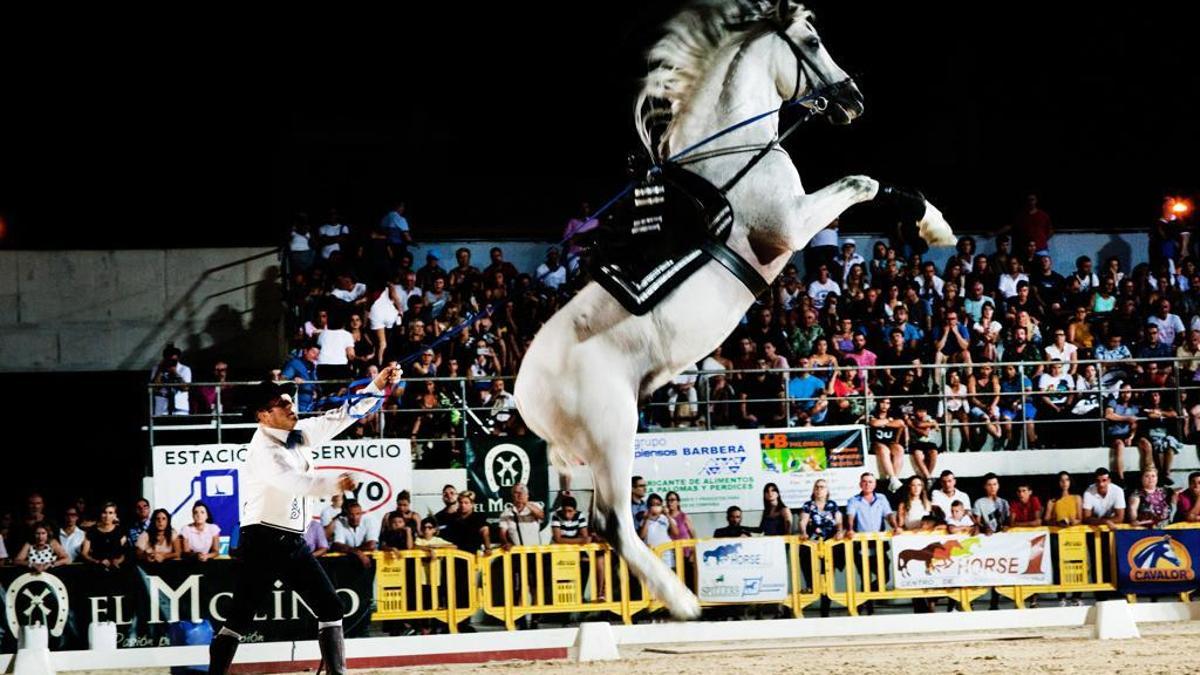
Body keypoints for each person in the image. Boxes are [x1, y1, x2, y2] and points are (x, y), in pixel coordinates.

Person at [208, 365, 398, 675]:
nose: (290, 405)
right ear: (263, 415)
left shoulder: (293, 436)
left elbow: (338, 417)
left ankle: (337, 673)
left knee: (326, 606)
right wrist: (333, 485)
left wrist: (377, 384)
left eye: (289, 400)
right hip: (264, 540)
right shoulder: (265, 449)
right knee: (242, 617)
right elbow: (293, 482)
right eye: (281, 403)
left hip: (287, 540)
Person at [868, 398, 906, 492]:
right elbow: (874, 423)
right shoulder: (873, 413)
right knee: (884, 450)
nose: (885, 405)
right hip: (877, 442)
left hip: (890, 441)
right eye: (882, 402)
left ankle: (894, 480)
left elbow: (901, 423)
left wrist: (883, 422)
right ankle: (893, 478)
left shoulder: (893, 414)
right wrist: (889, 421)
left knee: (899, 449)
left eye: (887, 403)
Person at [331, 500, 378, 568]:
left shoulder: (368, 521)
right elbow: (338, 545)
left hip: (368, 562)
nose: (355, 517)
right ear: (347, 515)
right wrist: (358, 553)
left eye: (357, 514)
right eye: (351, 514)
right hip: (347, 564)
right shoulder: (340, 522)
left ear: (361, 513)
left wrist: (352, 551)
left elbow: (371, 545)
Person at [81, 502, 126, 569]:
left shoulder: (120, 531)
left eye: (110, 513)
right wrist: (97, 562)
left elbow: (124, 553)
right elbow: (84, 553)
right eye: (104, 512)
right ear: (100, 514)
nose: (107, 516)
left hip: (116, 568)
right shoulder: (92, 531)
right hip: (96, 567)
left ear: (115, 515)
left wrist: (118, 561)